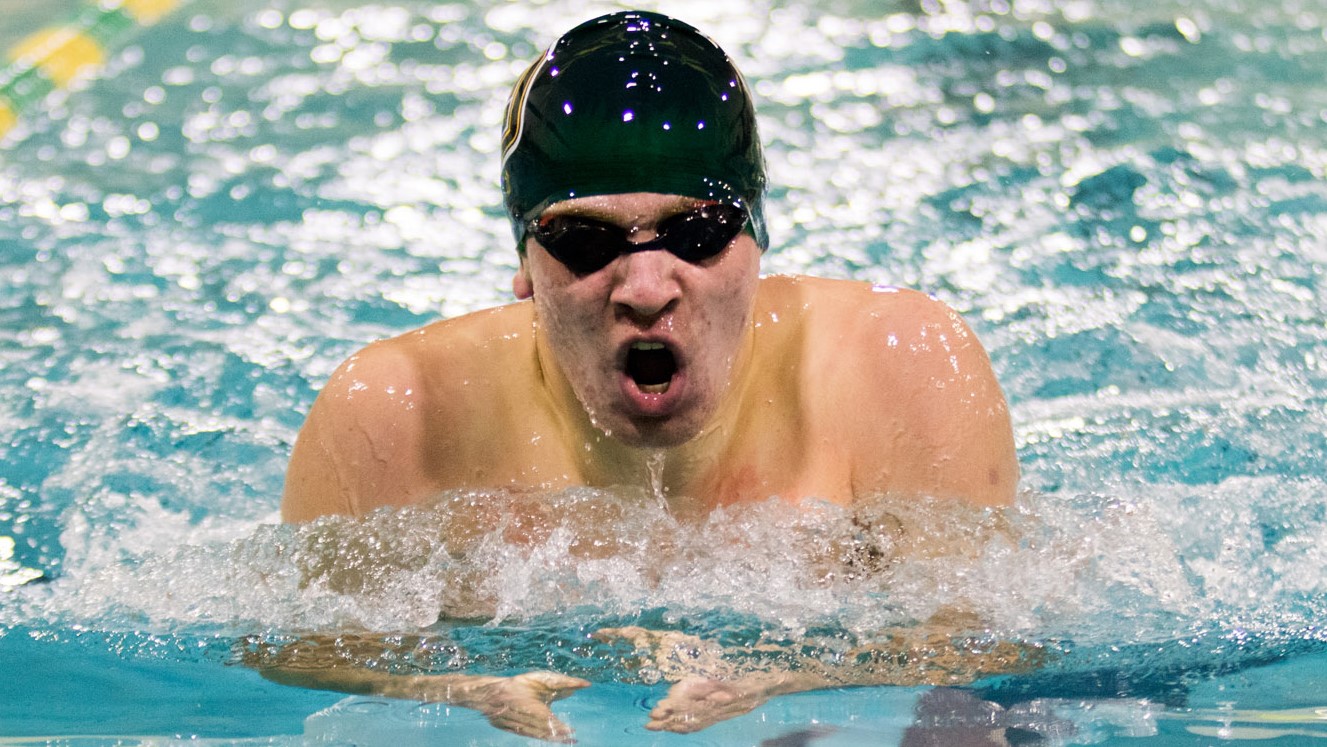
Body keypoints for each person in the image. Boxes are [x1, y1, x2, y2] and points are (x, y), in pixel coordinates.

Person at [273, 9, 1020, 742]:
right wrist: (448, 686)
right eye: (584, 240)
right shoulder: (394, 412)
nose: (644, 286)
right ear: (524, 260)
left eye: (695, 232)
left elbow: (993, 642)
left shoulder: (896, 367)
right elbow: (293, 650)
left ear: (755, 239)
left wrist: (790, 672)